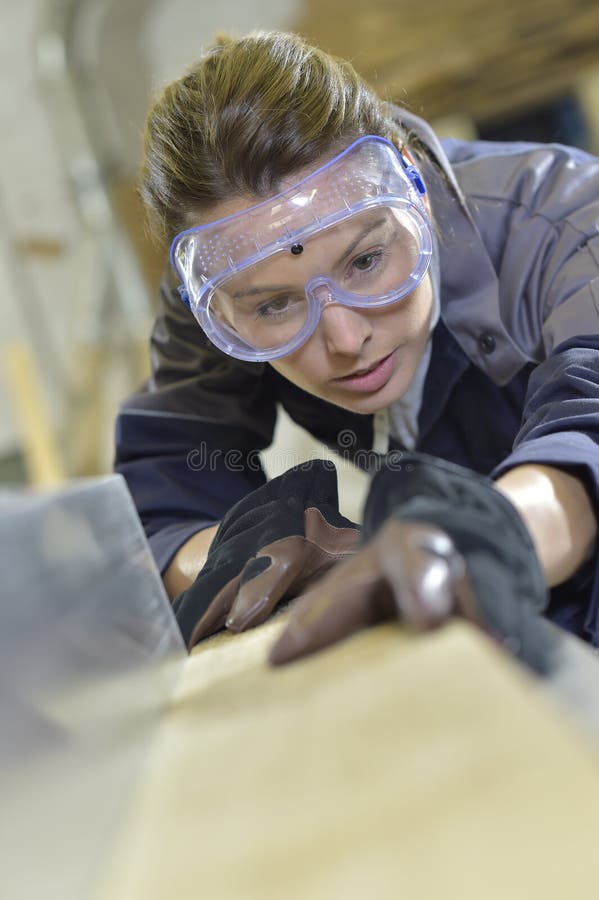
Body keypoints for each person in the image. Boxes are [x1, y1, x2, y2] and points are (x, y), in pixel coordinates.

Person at [115, 30, 599, 666]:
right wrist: (225, 555)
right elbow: (164, 483)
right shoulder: (234, 282)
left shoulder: (568, 225)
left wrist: (486, 537)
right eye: (277, 306)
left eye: (367, 260)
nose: (346, 341)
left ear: (411, 180)